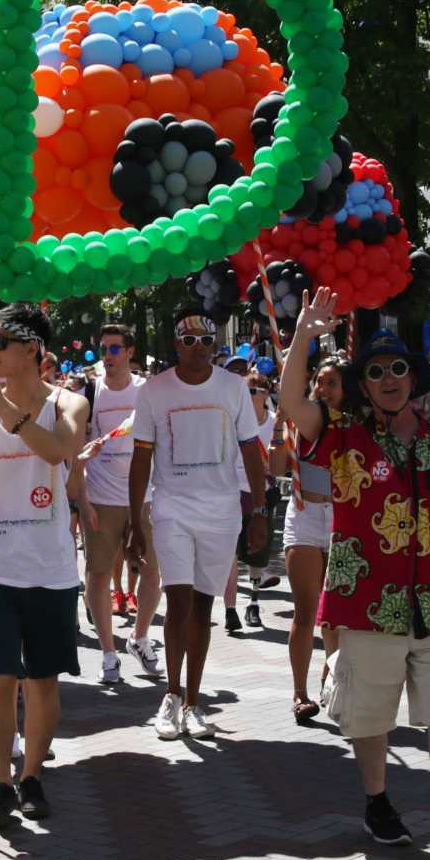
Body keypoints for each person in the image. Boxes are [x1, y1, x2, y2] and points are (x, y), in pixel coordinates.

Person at [278, 295, 430, 860]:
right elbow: (288, 404)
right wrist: (303, 334)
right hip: (366, 605)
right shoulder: (343, 436)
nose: (388, 379)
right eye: (375, 372)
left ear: (416, 377)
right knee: (369, 717)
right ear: (363, 383)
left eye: (398, 368)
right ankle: (378, 802)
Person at [0, 304, 88, 830]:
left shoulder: (68, 402)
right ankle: (1, 782)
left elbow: (58, 452)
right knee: (0, 677)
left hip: (51, 568)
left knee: (43, 681)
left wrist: (8, 413)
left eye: (3, 341)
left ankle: (32, 775)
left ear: (32, 349)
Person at [129, 307, 268, 741]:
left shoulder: (233, 388)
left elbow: (250, 451)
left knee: (205, 606)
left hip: (222, 510)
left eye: (207, 341)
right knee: (179, 601)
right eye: (189, 341)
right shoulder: (154, 390)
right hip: (172, 507)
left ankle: (193, 700)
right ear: (176, 345)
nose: (198, 349)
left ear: (215, 346)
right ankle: (170, 695)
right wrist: (137, 520)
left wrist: (259, 512)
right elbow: (141, 458)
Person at [76, 323, 162, 686]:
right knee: (97, 572)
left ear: (130, 352)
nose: (108, 356)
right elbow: (75, 451)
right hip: (101, 497)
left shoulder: (148, 391)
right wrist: (82, 502)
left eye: (115, 349)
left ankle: (139, 637)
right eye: (104, 348)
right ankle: (108, 653)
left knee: (152, 570)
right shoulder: (89, 393)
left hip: (145, 497)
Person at [282, 355, 343, 723]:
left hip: (341, 518)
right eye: (319, 380)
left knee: (334, 615)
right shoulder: (301, 419)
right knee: (305, 611)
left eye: (331, 382)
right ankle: (299, 692)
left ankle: (331, 680)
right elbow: (276, 468)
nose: (323, 388)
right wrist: (280, 436)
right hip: (304, 516)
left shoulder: (356, 424)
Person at [227, 372, 281, 633]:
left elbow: (284, 462)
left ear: (264, 394)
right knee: (231, 551)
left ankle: (254, 602)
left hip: (262, 494)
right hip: (232, 492)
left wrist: (274, 466)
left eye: (251, 392)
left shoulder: (275, 424)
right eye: (243, 392)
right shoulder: (232, 422)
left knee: (257, 552)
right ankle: (230, 610)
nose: (246, 398)